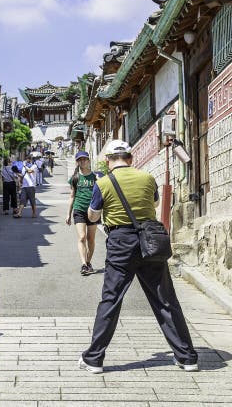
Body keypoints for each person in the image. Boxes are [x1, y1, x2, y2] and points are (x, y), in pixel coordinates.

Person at [79, 140, 198, 374]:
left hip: (120, 242)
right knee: (165, 298)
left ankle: (94, 359)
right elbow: (153, 202)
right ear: (131, 159)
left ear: (107, 161)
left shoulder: (102, 183)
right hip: (149, 240)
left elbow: (93, 217)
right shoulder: (147, 178)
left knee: (111, 299)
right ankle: (187, 357)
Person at [66, 151, 101, 275]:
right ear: (77, 162)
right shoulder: (75, 178)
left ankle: (88, 261)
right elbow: (72, 196)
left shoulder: (96, 177)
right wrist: (68, 214)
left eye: (84, 159)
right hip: (79, 209)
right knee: (82, 237)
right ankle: (84, 264)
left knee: (91, 239)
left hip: (93, 211)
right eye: (80, 160)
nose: (82, 161)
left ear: (88, 161)